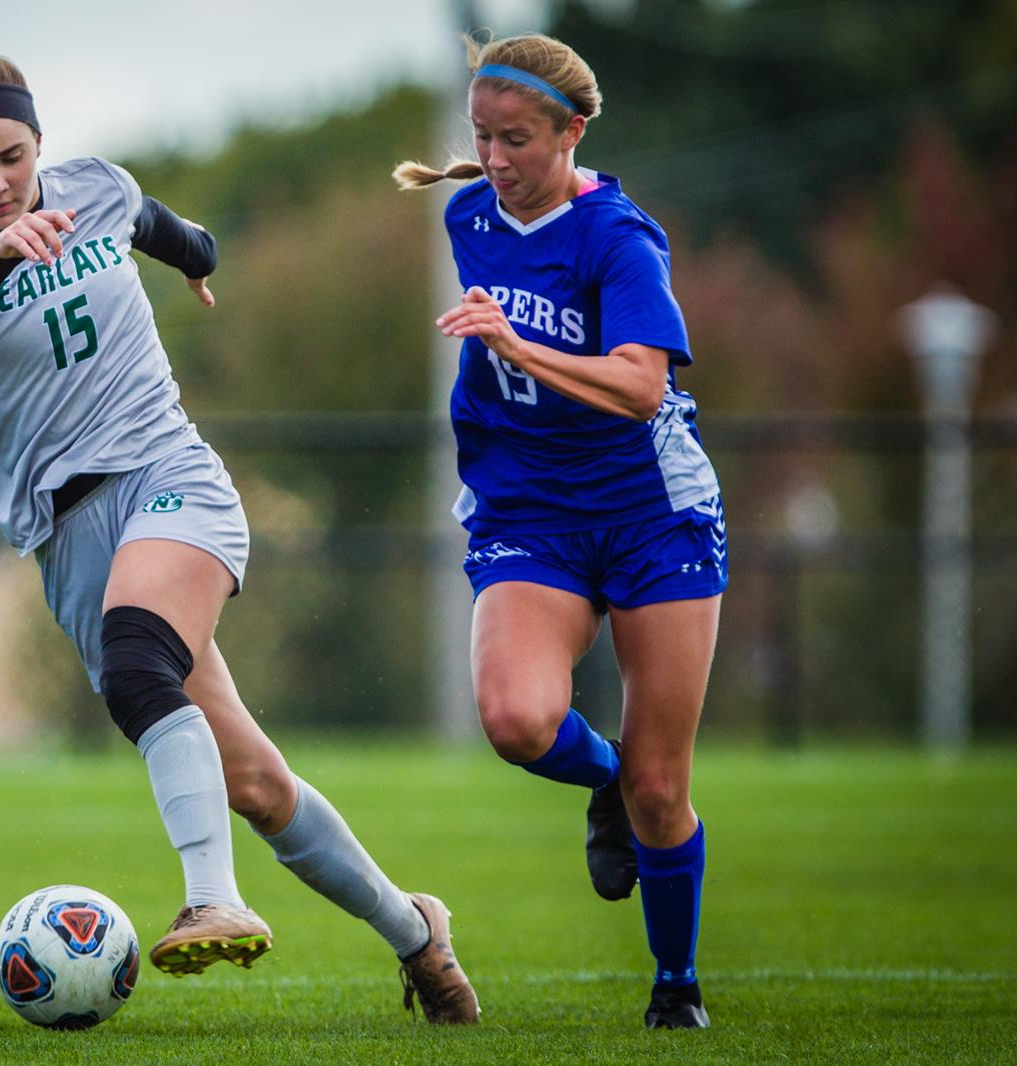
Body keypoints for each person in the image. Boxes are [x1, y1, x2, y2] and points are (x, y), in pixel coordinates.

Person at [0, 30, 479, 1023]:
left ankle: (212, 897)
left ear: (39, 144)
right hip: (68, 534)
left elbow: (182, 234)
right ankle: (416, 933)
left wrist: (196, 265)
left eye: (11, 158)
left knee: (138, 661)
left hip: (170, 479)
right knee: (256, 782)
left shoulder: (98, 189)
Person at [394, 31, 726, 1029]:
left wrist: (518, 345)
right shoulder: (465, 216)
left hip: (650, 515)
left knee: (667, 792)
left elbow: (638, 385)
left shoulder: (620, 238)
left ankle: (675, 987)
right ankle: (607, 777)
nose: (494, 160)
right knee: (515, 722)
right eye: (482, 136)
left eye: (518, 140)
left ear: (572, 131)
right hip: (531, 512)